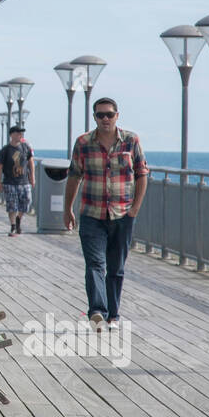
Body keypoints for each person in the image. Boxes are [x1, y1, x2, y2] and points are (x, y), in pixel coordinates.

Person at [63, 97, 149, 332]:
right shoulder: (83, 143)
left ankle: (113, 314)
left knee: (116, 267)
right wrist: (67, 208)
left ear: (117, 116)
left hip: (122, 214)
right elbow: (74, 176)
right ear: (94, 118)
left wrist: (135, 209)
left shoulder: (131, 141)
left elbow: (142, 174)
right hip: (92, 213)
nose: (105, 119)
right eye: (100, 115)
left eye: (109, 114)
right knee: (95, 264)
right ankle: (97, 311)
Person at [0, 125, 35, 236]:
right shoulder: (5, 150)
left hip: (24, 181)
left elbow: (31, 162)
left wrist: (32, 177)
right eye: (18, 133)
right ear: (11, 135)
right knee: (12, 204)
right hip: (9, 181)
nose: (20, 135)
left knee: (27, 201)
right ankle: (13, 225)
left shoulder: (25, 147)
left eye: (21, 133)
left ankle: (19, 218)